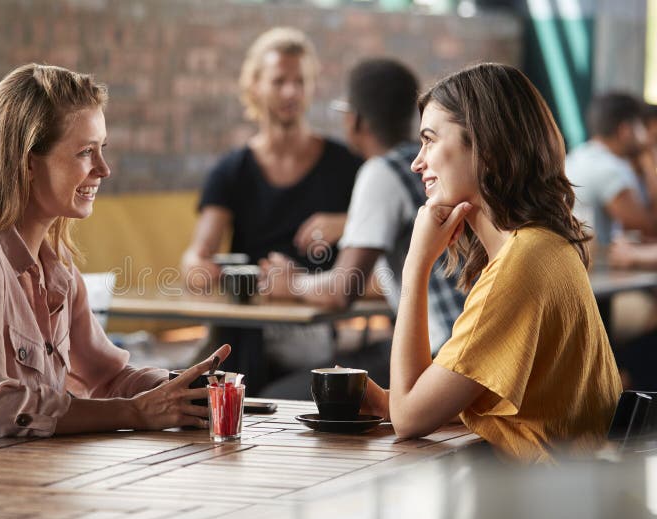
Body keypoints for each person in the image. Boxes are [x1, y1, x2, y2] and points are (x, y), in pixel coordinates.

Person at [0, 64, 231, 456]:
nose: (103, 169)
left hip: (23, 483)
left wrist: (188, 387)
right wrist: (135, 412)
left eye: (102, 149)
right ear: (28, 163)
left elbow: (108, 376)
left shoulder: (58, 267)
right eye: (85, 152)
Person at [359, 63, 622, 462]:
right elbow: (436, 405)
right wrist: (387, 403)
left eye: (430, 141)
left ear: (485, 147)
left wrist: (416, 263)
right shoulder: (545, 246)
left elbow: (409, 418)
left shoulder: (522, 264)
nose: (418, 163)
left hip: (544, 506)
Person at [259, 58, 464, 398]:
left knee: (275, 397)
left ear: (355, 120)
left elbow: (343, 288)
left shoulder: (381, 172)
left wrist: (292, 283)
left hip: (442, 356)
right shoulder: (431, 164)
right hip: (470, 347)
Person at [180, 27, 362, 394]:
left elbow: (384, 240)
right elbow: (196, 259)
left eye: (300, 81)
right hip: (247, 319)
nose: (291, 92)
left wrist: (345, 224)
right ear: (255, 87)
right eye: (279, 81)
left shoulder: (345, 165)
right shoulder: (231, 170)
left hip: (309, 318)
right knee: (215, 354)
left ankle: (220, 397)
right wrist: (205, 269)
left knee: (215, 365)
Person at [566, 92, 655, 246]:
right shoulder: (609, 169)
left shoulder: (581, 154)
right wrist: (650, 165)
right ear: (625, 130)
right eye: (640, 126)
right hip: (590, 264)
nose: (645, 137)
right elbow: (650, 227)